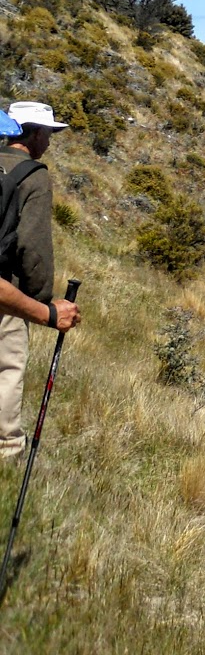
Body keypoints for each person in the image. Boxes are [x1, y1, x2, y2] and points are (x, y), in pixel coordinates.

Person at [0, 102, 81, 460]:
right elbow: (33, 249)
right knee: (8, 368)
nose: (50, 140)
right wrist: (42, 302)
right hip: (7, 293)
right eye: (48, 132)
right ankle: (6, 451)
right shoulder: (33, 176)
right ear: (33, 133)